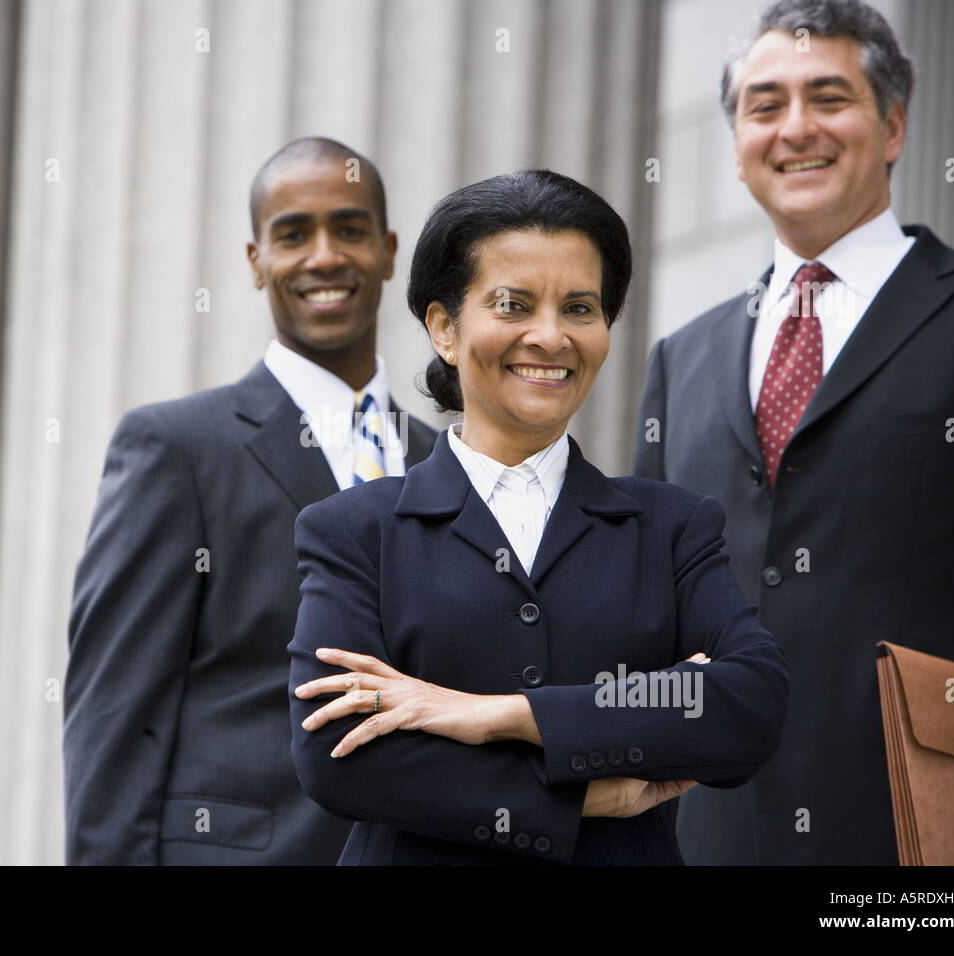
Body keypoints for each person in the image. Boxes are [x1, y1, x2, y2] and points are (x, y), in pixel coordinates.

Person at [288, 169, 788, 865]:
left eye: (580, 309)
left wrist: (494, 716)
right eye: (513, 304)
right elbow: (338, 756)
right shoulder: (353, 531)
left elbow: (749, 703)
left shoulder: (671, 526)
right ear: (444, 327)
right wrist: (580, 792)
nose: (550, 337)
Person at [633, 0, 954, 865]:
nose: (796, 128)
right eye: (765, 107)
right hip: (708, 835)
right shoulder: (678, 361)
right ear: (737, 148)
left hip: (920, 837)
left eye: (828, 97)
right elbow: (646, 617)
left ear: (895, 125)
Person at [64, 137, 438, 864]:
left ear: (390, 252)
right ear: (256, 260)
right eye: (293, 234)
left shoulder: (442, 463)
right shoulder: (175, 448)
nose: (324, 256)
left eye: (350, 229)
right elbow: (115, 713)